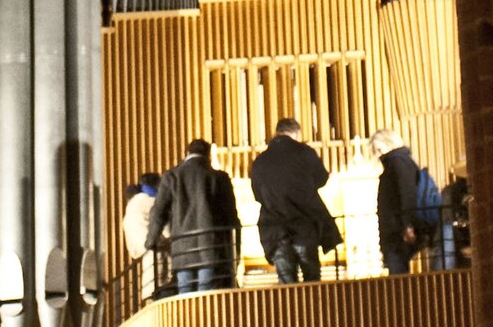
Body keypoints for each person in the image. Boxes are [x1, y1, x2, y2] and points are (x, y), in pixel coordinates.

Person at [249, 117, 340, 284]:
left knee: (287, 284)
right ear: (297, 133)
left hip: (275, 230)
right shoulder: (304, 152)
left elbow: (257, 195)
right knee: (312, 280)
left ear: (276, 133)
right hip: (304, 226)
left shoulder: (260, 161)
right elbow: (322, 178)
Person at [144, 140, 239, 293]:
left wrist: (151, 240)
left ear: (187, 153)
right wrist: (235, 254)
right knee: (207, 296)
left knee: (185, 296)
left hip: (183, 249)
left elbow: (158, 213)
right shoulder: (219, 178)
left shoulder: (172, 177)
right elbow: (232, 218)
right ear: (208, 155)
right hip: (211, 248)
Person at [370, 130, 439, 274]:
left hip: (397, 230)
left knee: (398, 275)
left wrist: (407, 224)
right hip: (399, 228)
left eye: (379, 149)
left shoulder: (397, 162)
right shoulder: (402, 162)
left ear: (389, 144)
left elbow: (406, 194)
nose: (377, 155)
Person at [121, 172, 166, 301]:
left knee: (152, 291)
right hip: (159, 251)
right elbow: (165, 219)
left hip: (146, 255)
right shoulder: (148, 202)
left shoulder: (131, 207)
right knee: (162, 288)